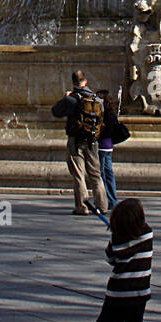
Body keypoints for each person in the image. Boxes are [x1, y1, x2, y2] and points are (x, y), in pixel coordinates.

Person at [81, 197, 153, 322]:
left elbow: (110, 259)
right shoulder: (148, 235)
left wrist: (116, 234)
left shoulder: (116, 242)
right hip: (139, 295)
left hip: (117, 294)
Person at [51, 71, 108, 215]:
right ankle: (102, 206)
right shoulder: (97, 100)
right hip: (93, 141)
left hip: (76, 141)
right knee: (96, 174)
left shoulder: (71, 99)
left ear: (73, 83)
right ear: (86, 82)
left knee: (79, 174)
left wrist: (65, 99)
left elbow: (55, 112)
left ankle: (82, 207)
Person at [94, 90, 130, 212]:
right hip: (108, 146)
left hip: (102, 146)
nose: (96, 100)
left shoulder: (105, 114)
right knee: (109, 173)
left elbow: (107, 131)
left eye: (99, 98)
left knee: (102, 174)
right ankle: (112, 199)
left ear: (104, 100)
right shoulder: (111, 113)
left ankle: (107, 200)